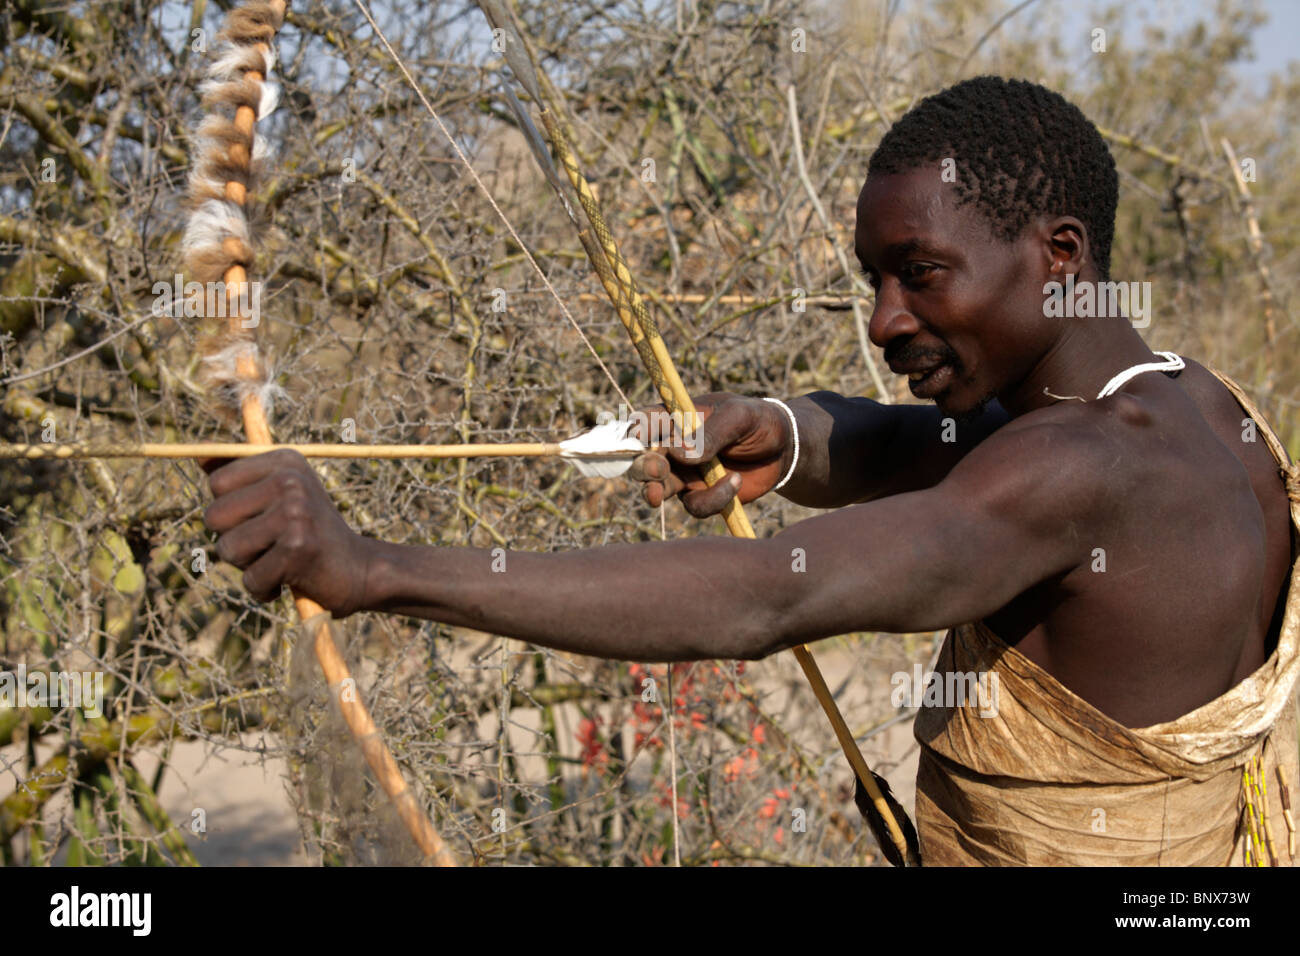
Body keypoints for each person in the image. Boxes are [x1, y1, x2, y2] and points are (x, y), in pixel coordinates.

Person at [204, 76, 1299, 866]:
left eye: (920, 274)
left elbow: (773, 591)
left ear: (1057, 258)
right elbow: (913, 444)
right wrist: (780, 432)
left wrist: (371, 567)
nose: (883, 320)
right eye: (873, 278)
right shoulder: (1197, 407)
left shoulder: (1080, 467)